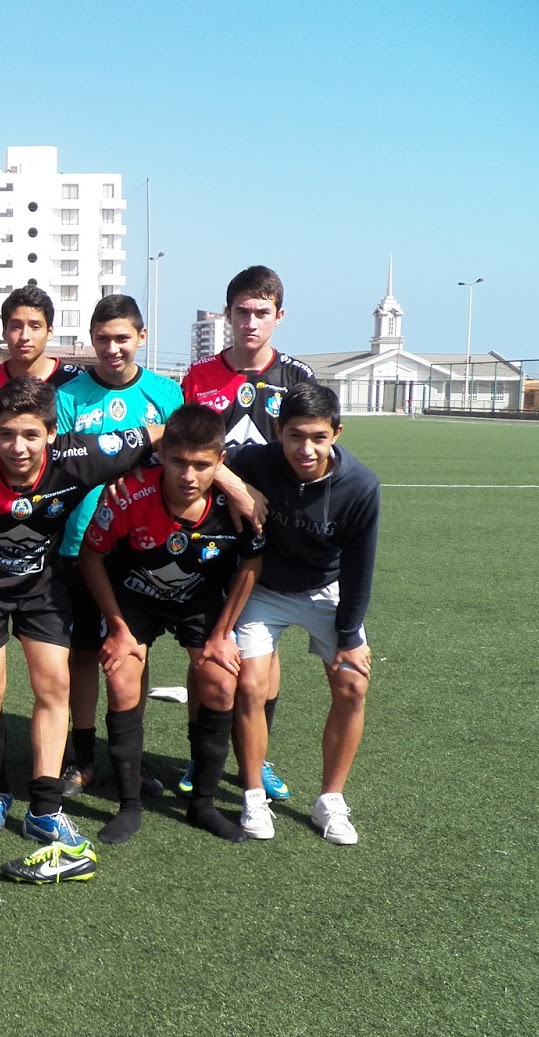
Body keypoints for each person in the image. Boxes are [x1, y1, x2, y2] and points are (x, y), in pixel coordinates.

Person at [0, 375, 159, 846]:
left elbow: (165, 433)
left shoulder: (83, 454)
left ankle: (45, 809)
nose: (17, 447)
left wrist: (220, 479)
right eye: (6, 434)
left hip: (45, 587)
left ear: (51, 433)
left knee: (55, 684)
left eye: (30, 434)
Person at [79, 404, 261, 844]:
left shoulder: (237, 505)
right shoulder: (128, 495)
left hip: (199, 598)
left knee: (220, 680)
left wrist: (222, 634)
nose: (189, 475)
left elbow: (251, 562)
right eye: (178, 461)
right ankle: (129, 806)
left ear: (220, 462)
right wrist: (118, 628)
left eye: (202, 465)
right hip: (134, 596)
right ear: (161, 455)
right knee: (121, 678)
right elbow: (91, 556)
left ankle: (203, 805)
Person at [180, 265, 315, 804]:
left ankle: (258, 758)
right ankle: (200, 755)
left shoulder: (298, 378)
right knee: (205, 648)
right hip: (209, 529)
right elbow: (188, 448)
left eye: (262, 312)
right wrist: (235, 487)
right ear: (227, 314)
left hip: (273, 532)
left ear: (279, 316)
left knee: (263, 650)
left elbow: (311, 451)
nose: (251, 322)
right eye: (242, 312)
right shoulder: (198, 377)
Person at [225, 382, 379, 845]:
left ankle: (330, 799)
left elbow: (360, 567)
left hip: (325, 591)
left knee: (353, 684)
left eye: (318, 437)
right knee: (249, 685)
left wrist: (349, 635)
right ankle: (253, 793)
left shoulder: (360, 485)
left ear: (337, 433)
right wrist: (236, 485)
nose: (305, 449)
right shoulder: (254, 461)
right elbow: (205, 459)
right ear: (278, 431)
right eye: (295, 435)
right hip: (263, 590)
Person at [53, 295, 185, 796]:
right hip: (78, 542)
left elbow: (179, 458)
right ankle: (83, 756)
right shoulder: (69, 396)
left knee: (133, 652)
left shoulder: (164, 392)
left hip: (140, 545)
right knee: (84, 651)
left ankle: (129, 756)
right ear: (91, 339)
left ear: (141, 338)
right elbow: (65, 464)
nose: (112, 348)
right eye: (103, 339)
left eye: (122, 338)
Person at [0, 285, 81, 446]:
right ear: (4, 332)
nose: (24, 336)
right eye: (16, 327)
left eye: (35, 326)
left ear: (50, 332)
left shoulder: (75, 381)